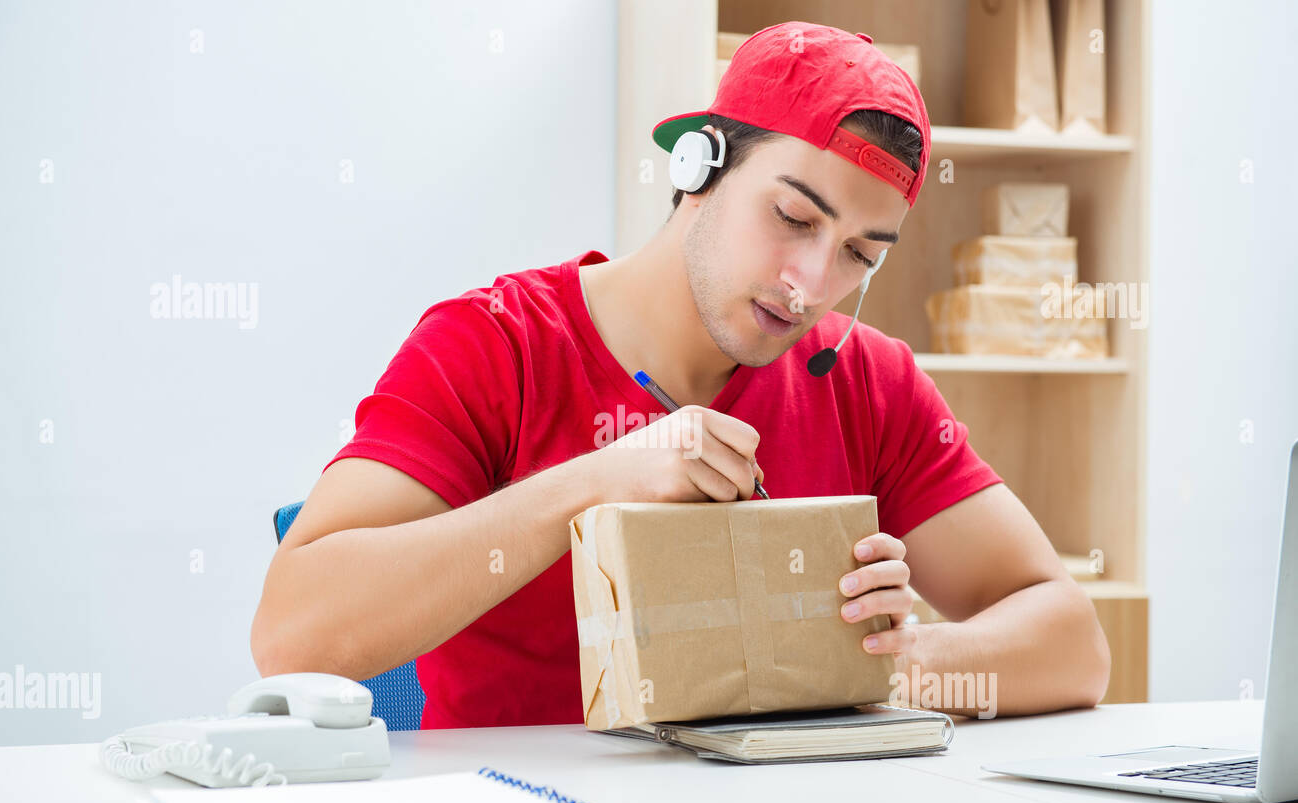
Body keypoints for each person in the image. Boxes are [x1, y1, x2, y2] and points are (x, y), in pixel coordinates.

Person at [250, 22, 1110, 728]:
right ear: (699, 166)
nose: (808, 283)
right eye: (792, 216)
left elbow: (1074, 642)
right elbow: (292, 634)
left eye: (857, 252)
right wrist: (598, 484)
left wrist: (899, 660)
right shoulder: (495, 344)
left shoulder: (866, 381)